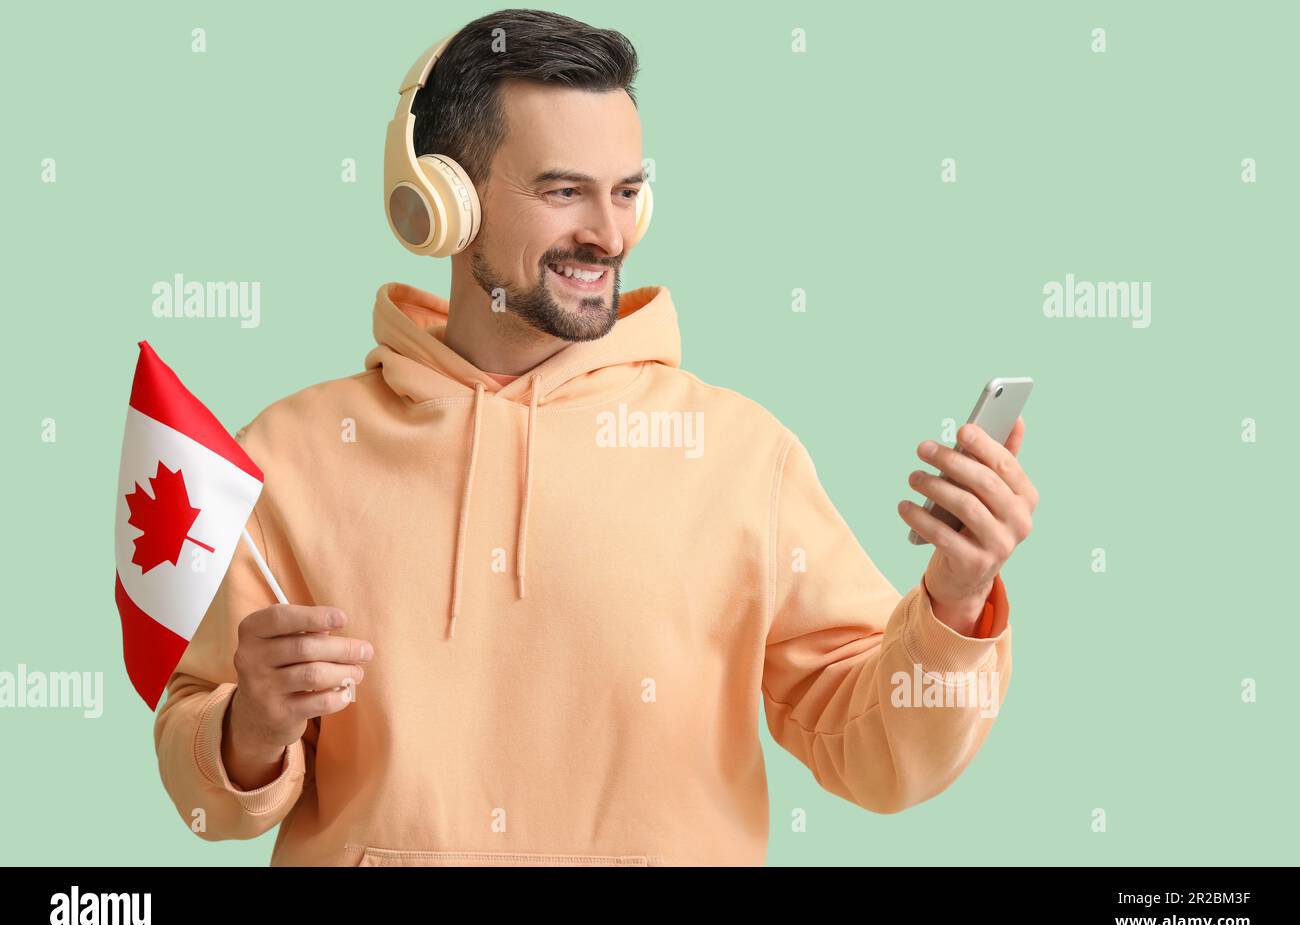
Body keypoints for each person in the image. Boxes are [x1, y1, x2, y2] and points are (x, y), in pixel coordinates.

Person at [153, 8, 1038, 867]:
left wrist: (956, 604)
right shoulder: (291, 452)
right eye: (563, 190)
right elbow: (204, 793)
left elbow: (878, 757)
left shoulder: (738, 456)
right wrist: (248, 729)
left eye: (626, 193)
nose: (608, 234)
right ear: (443, 202)